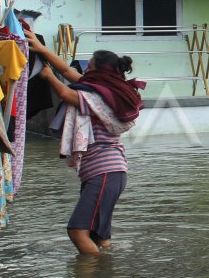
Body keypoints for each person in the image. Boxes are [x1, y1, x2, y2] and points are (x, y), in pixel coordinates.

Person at [27, 28, 142, 256]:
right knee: (99, 236)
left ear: (101, 71)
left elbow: (68, 95)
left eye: (89, 67)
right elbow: (67, 71)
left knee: (77, 231)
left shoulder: (98, 97)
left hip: (105, 172)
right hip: (108, 173)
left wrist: (49, 77)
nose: (85, 71)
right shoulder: (107, 91)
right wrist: (41, 50)